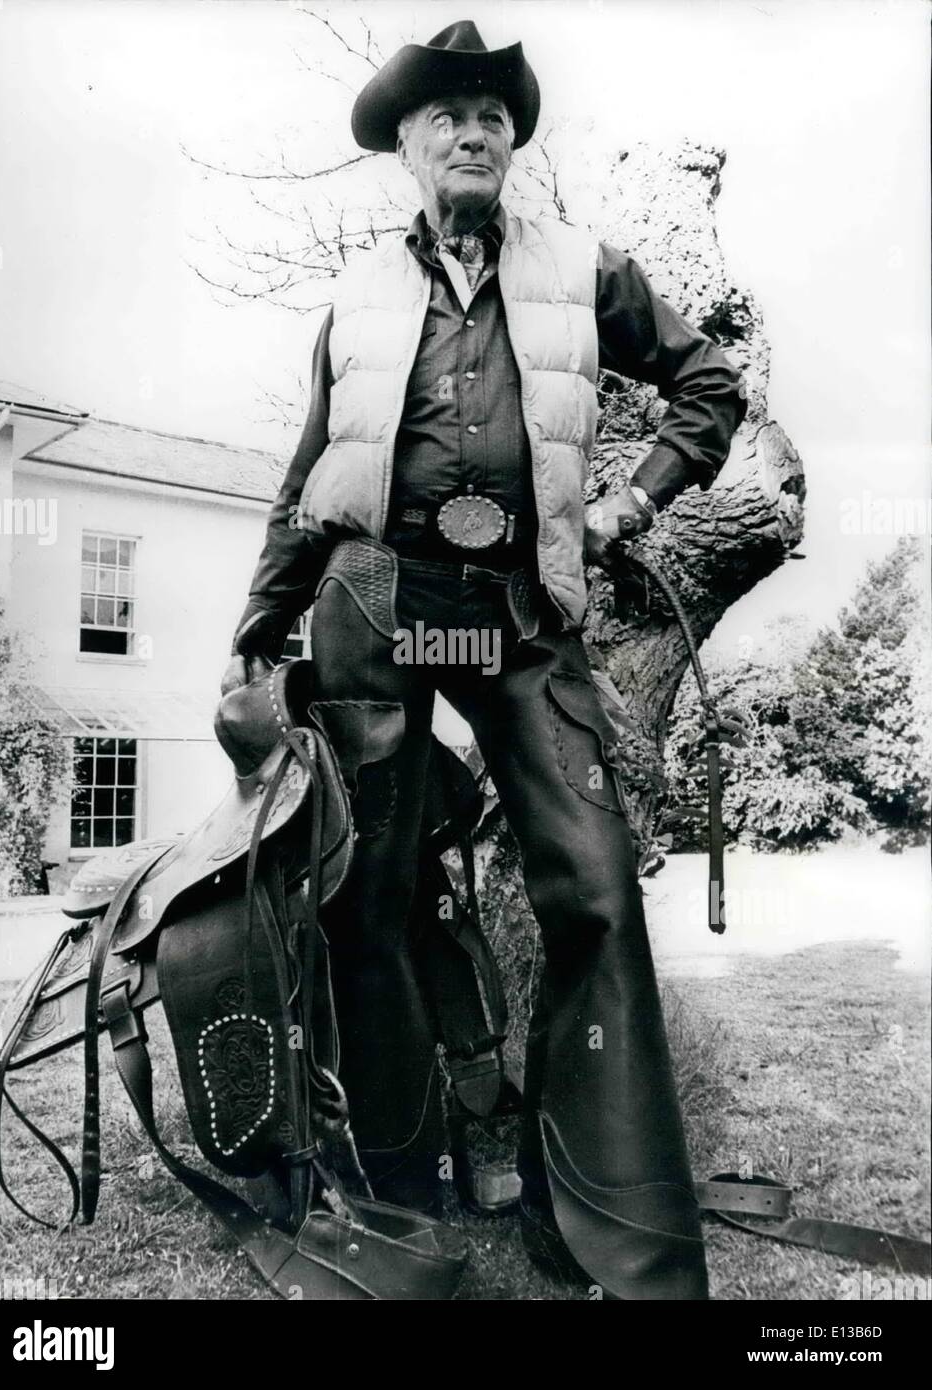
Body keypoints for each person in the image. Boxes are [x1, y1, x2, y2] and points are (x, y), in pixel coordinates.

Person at [221, 20, 746, 1300]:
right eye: (447, 116)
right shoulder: (354, 297)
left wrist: (628, 502)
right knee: (366, 897)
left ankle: (604, 1222)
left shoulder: (586, 269)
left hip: (519, 604)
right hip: (375, 599)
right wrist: (255, 631)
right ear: (408, 146)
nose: (472, 133)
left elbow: (709, 385)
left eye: (492, 117)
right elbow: (309, 477)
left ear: (513, 144)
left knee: (596, 886)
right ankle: (400, 1210)